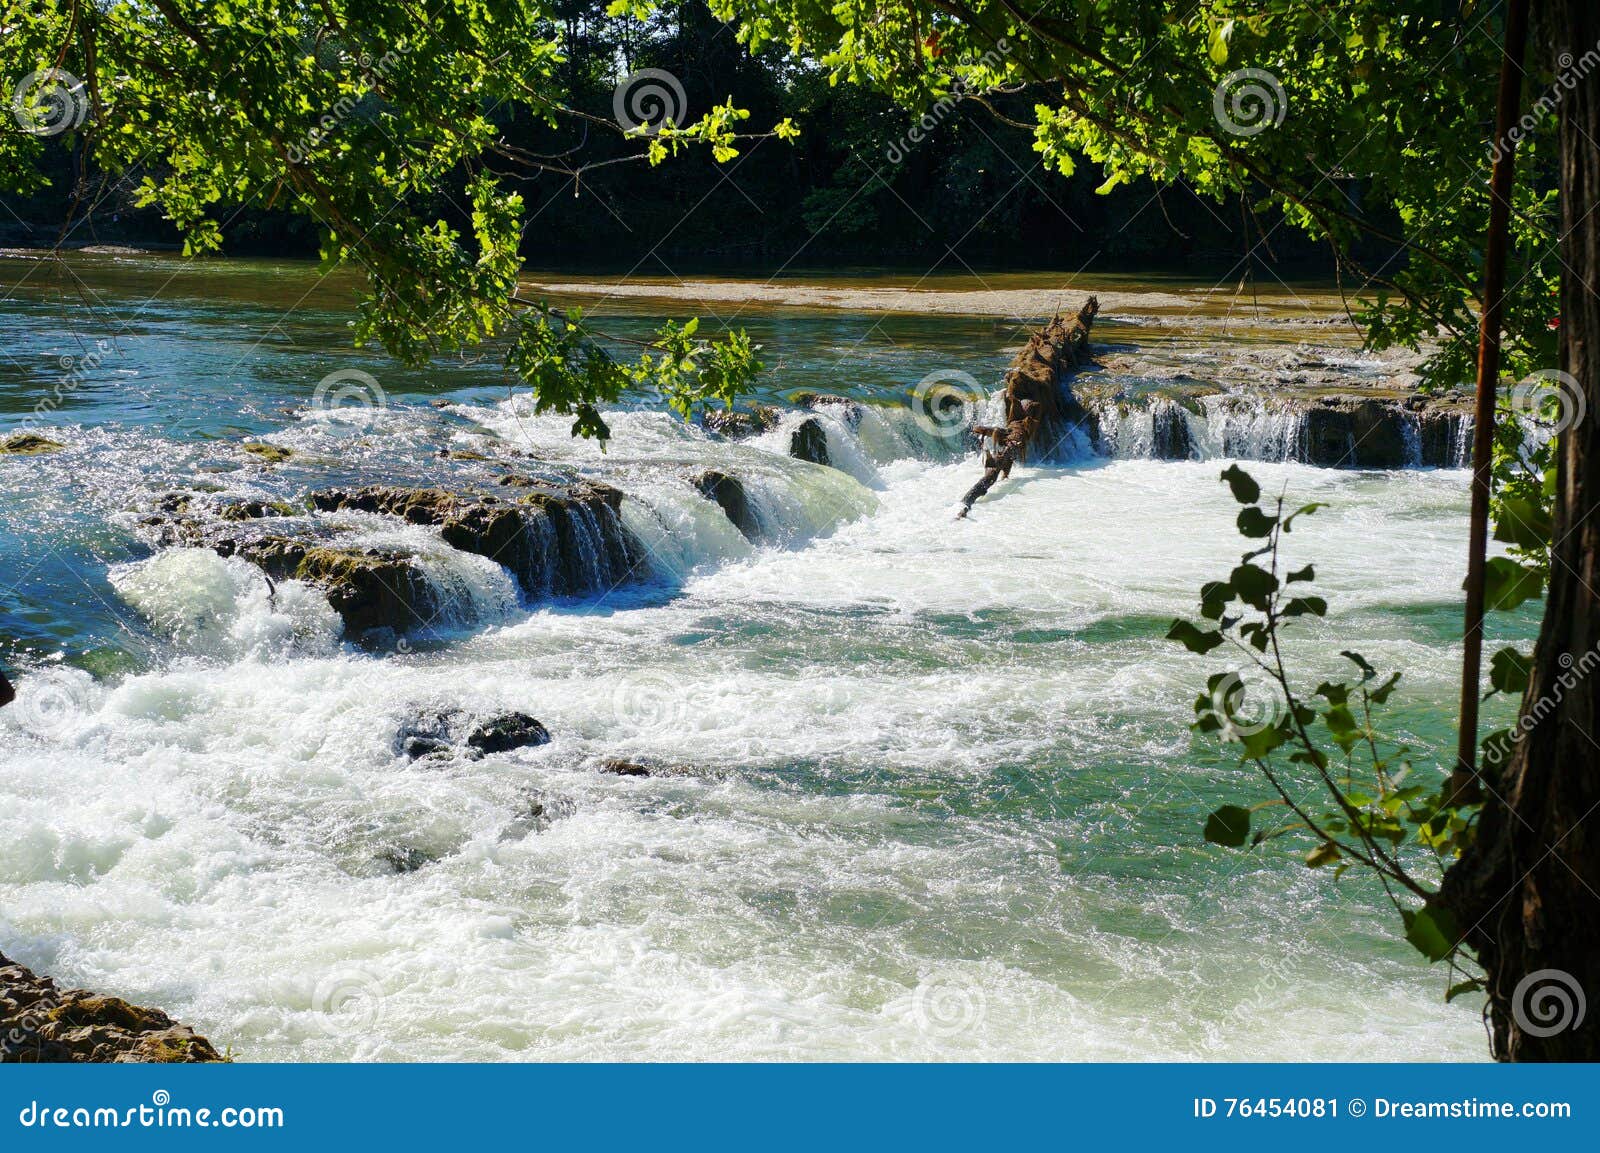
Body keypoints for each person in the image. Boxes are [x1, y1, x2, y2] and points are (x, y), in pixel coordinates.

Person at [957, 399, 1044, 517]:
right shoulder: (1019, 426)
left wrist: (984, 430)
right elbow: (1004, 433)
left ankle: (966, 502)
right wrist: (984, 430)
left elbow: (1004, 433)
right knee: (990, 477)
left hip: (1006, 452)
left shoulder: (1020, 424)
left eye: (1025, 406)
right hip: (1005, 452)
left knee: (990, 477)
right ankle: (967, 502)